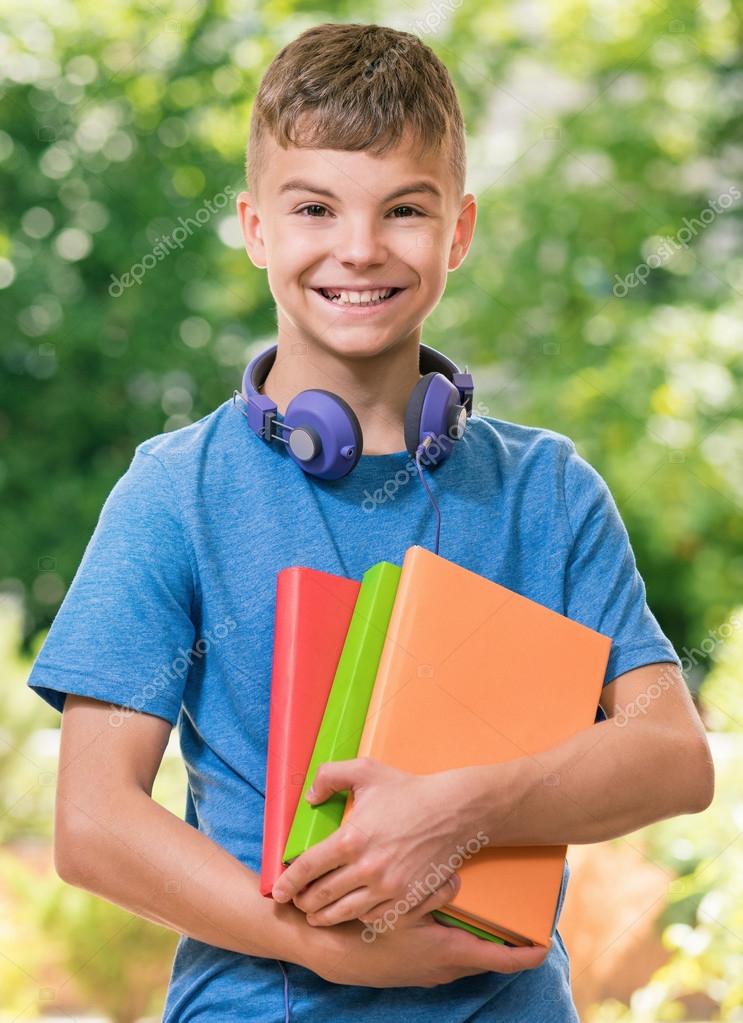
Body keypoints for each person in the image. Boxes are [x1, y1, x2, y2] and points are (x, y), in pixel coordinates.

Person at [26, 21, 714, 1022]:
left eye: (403, 210)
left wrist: (462, 806)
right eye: (313, 208)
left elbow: (671, 756)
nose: (357, 249)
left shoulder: (547, 490)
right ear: (256, 227)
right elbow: (92, 823)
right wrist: (321, 950)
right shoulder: (174, 490)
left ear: (458, 232)